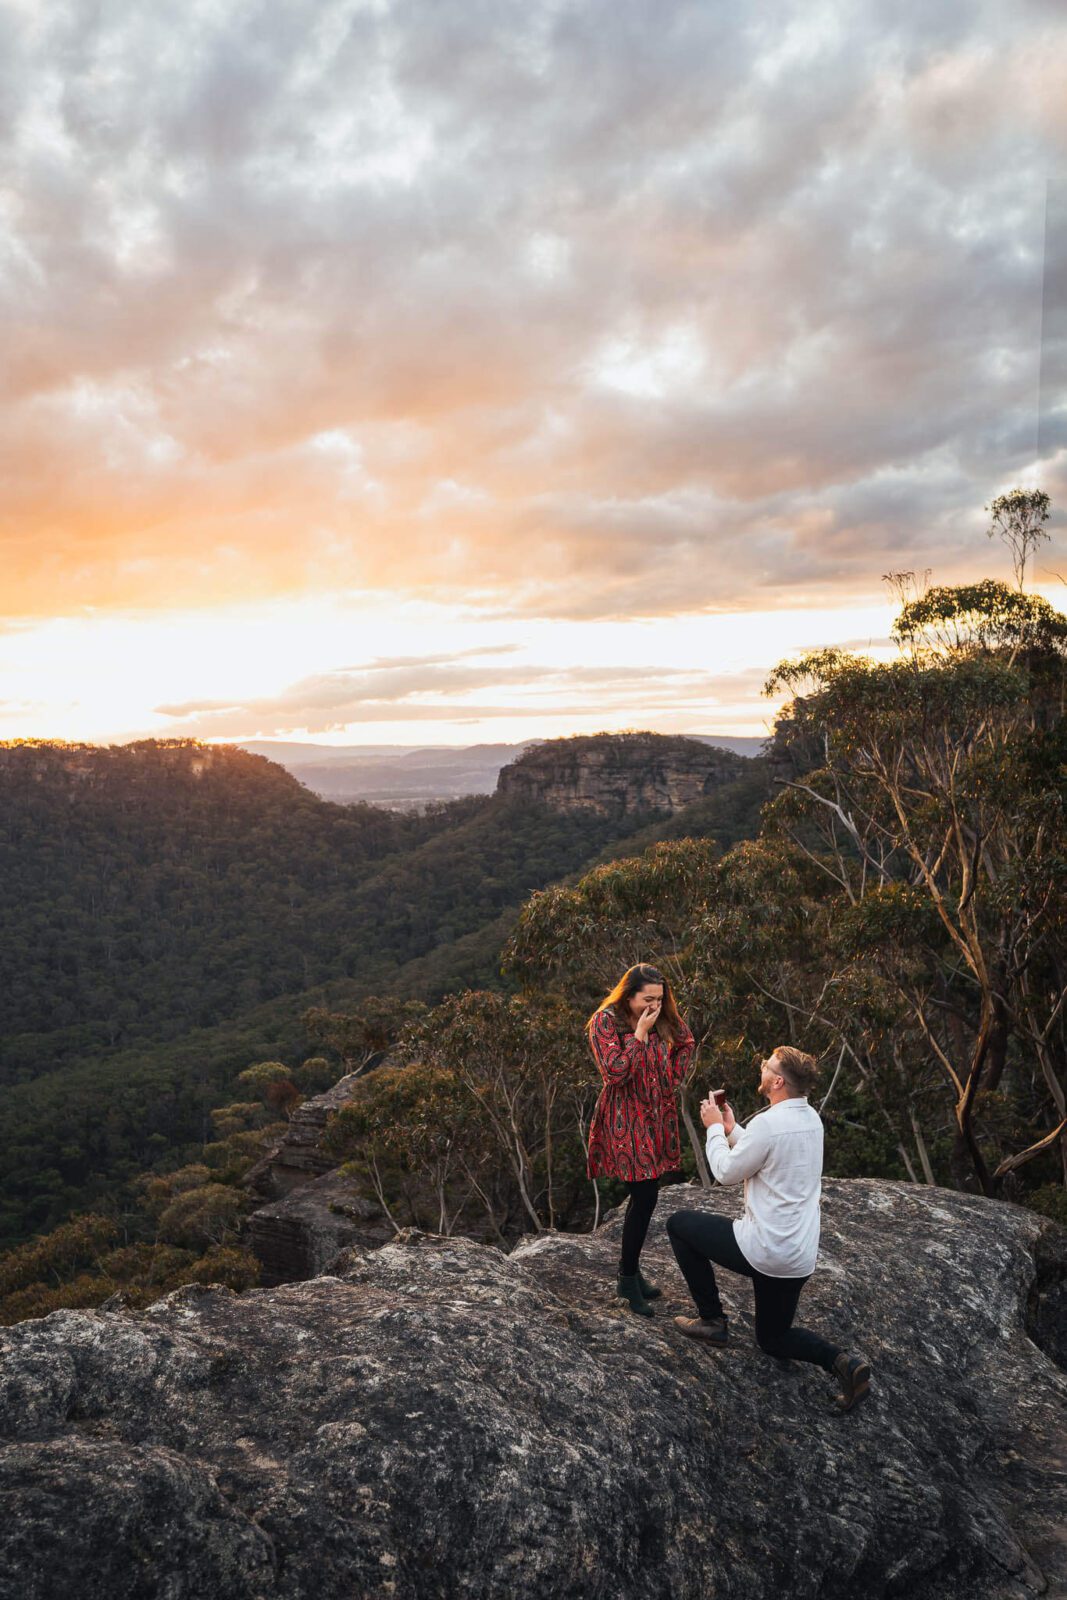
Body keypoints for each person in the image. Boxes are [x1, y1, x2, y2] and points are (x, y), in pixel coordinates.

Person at [666, 1045, 871, 1412]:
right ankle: (843, 1363)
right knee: (773, 1338)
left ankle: (711, 1320)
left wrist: (713, 1129)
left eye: (767, 1065)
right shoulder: (811, 1119)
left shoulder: (770, 1124)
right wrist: (731, 1129)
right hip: (798, 1255)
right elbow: (768, 1152)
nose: (761, 1066)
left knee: (679, 1225)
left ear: (777, 1081)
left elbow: (727, 1173)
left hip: (764, 1248)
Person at [586, 963, 695, 1317]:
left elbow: (686, 1041)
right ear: (627, 995)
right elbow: (614, 1072)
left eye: (660, 998)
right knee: (645, 1195)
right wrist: (639, 1036)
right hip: (625, 1117)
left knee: (645, 1196)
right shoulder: (605, 1022)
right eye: (647, 998)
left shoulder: (664, 1017)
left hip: (656, 1115)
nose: (655, 1005)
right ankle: (627, 1279)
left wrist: (671, 1080)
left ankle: (631, 1272)